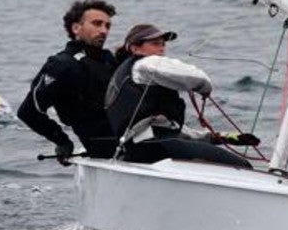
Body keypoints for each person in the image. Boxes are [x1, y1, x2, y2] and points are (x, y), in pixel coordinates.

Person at [105, 23, 259, 165]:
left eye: (163, 44)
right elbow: (197, 78)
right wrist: (204, 88)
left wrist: (221, 137)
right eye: (155, 44)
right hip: (152, 147)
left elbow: (170, 130)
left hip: (141, 147)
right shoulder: (143, 65)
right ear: (135, 48)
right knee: (242, 165)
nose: (162, 49)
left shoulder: (130, 76)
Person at [17, 0, 119, 164]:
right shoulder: (61, 65)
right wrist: (61, 140)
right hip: (103, 146)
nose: (104, 31)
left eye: (107, 26)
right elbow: (28, 111)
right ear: (76, 28)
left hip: (130, 136)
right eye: (97, 24)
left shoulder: (109, 60)